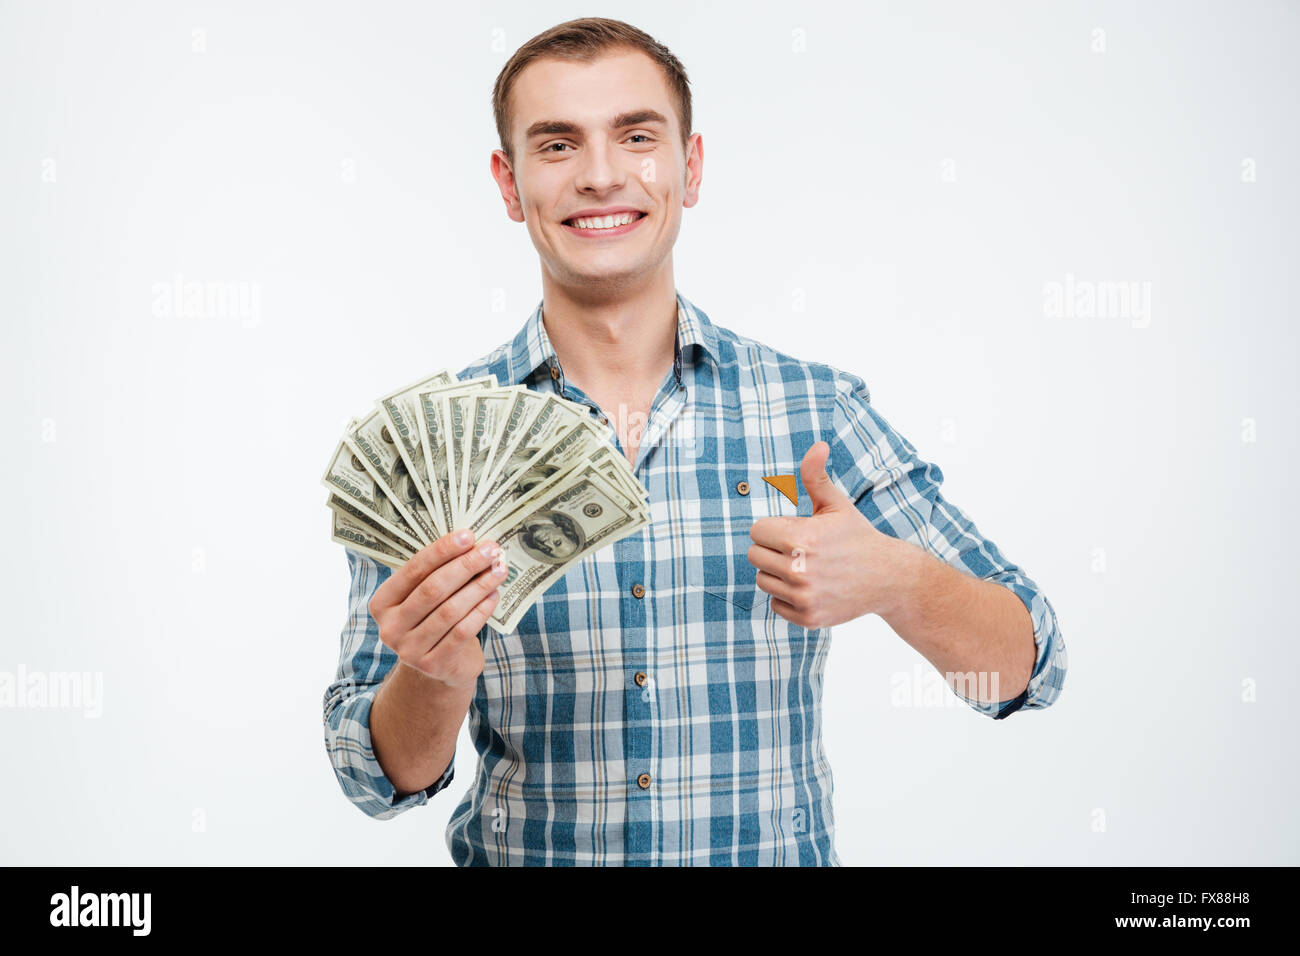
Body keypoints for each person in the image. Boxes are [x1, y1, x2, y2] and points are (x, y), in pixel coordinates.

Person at [322, 17, 1067, 866]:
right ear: (508, 181)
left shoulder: (812, 415)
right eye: (558, 145)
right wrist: (436, 673)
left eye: (636, 136)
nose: (601, 176)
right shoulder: (431, 459)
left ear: (691, 165)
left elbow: (1030, 668)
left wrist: (898, 580)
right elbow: (373, 778)